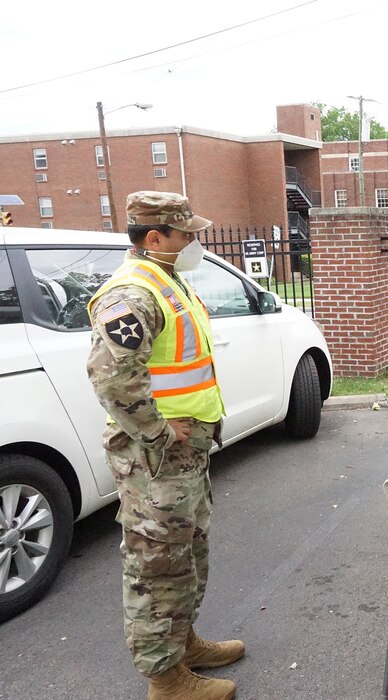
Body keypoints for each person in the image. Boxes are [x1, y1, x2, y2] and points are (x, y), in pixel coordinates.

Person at [86, 192, 242, 700]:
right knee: (157, 565)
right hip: (155, 459)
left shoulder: (165, 279)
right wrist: (154, 431)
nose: (194, 241)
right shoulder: (132, 293)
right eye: (186, 234)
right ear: (155, 238)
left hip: (184, 452)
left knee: (187, 553)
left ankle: (184, 643)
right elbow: (111, 378)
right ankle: (165, 679)